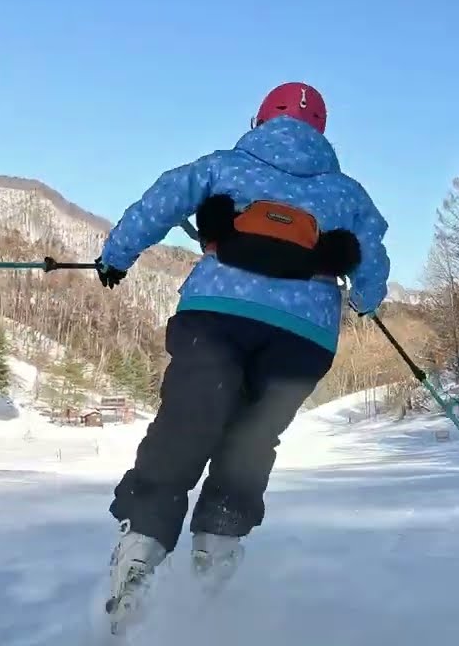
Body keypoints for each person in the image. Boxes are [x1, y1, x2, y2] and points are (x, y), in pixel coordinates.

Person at [94, 81, 390, 631]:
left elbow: (162, 199)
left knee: (188, 424)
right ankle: (217, 551)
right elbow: (372, 265)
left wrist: (115, 256)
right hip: (302, 336)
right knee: (252, 438)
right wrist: (369, 301)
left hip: (217, 313)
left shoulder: (225, 165)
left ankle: (140, 552)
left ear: (259, 121)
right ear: (321, 132)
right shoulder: (347, 193)